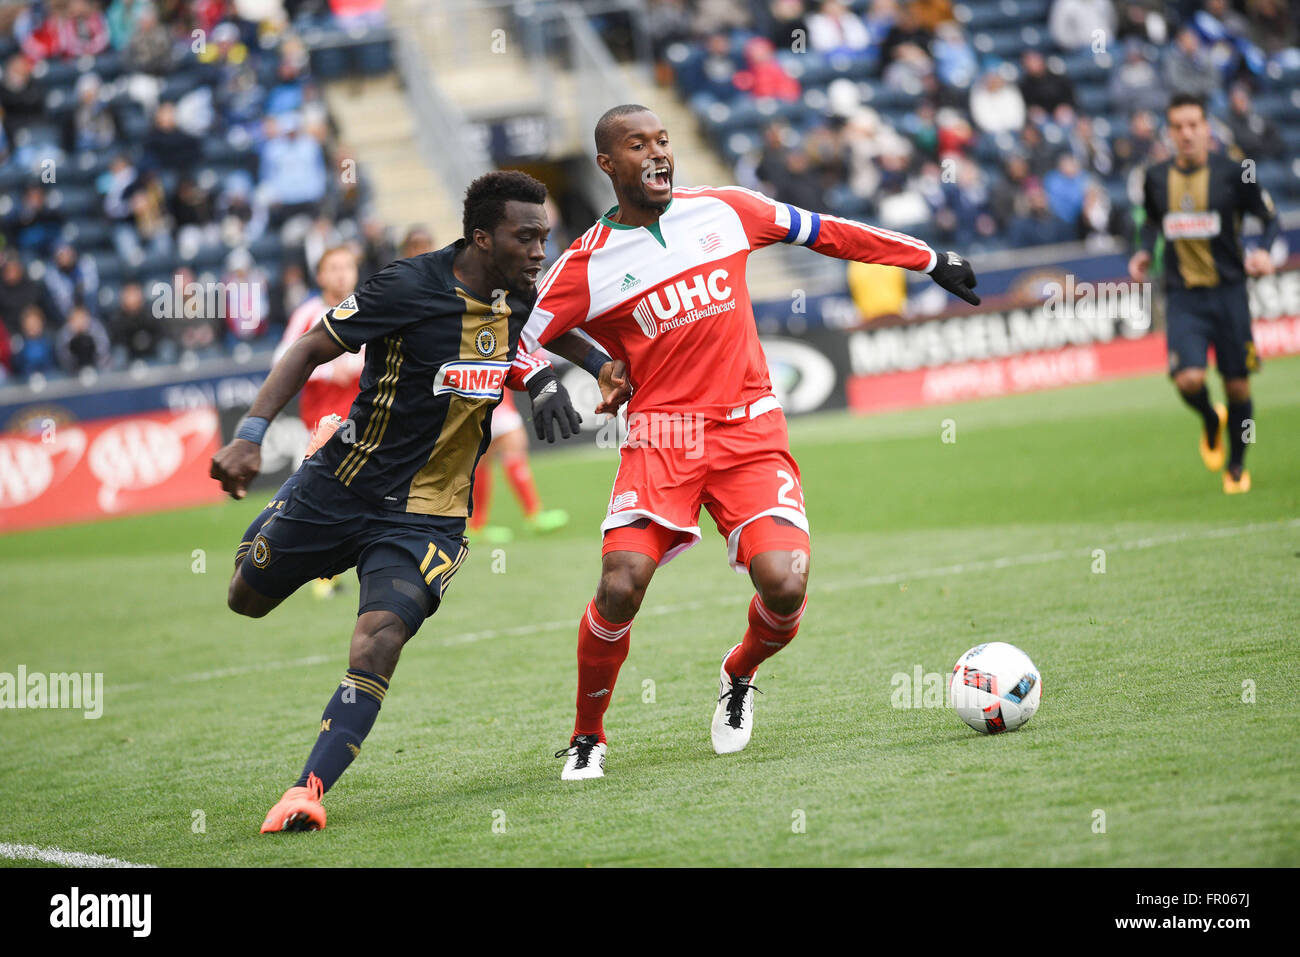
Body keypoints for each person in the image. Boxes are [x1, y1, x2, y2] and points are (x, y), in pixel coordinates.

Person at [523, 105, 979, 780]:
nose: (656, 154)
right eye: (636, 145)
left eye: (663, 140)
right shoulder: (587, 260)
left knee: (786, 583)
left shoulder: (727, 209)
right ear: (607, 165)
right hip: (662, 437)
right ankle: (589, 735)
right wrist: (565, 375)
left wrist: (929, 256)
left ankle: (739, 671)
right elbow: (521, 327)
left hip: (748, 429)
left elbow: (825, 233)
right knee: (621, 583)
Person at [209, 170, 630, 832]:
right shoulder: (407, 286)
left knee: (378, 639)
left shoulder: (516, 290)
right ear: (483, 238)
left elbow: (544, 328)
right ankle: (302, 511)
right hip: (340, 484)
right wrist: (251, 434)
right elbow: (309, 348)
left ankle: (307, 789)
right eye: (526, 238)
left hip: (428, 515)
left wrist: (579, 371)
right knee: (244, 596)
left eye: (544, 238)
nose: (539, 251)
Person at [1128, 93, 1279, 494]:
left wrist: (1263, 250)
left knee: (1238, 388)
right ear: (1170, 132)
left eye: (1194, 124)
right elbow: (1150, 222)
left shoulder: (1236, 172)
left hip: (1229, 294)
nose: (1187, 133)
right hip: (1183, 298)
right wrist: (1144, 252)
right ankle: (1211, 420)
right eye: (1178, 126)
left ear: (1206, 127)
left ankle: (1236, 464)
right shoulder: (1156, 177)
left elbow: (1268, 217)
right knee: (1189, 380)